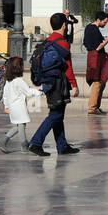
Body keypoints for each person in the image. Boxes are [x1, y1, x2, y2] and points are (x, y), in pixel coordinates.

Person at [28, 13, 80, 156]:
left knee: (58, 113)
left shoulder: (48, 41)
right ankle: (36, 142)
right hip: (57, 82)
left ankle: (62, 146)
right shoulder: (62, 43)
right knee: (56, 114)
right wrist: (74, 85)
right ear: (64, 25)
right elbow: (68, 66)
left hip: (48, 81)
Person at [0, 56, 43, 153]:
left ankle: (3, 140)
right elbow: (28, 92)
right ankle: (24, 146)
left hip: (13, 107)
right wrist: (40, 92)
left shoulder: (9, 81)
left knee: (20, 126)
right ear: (18, 68)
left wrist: (6, 106)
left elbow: (5, 95)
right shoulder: (19, 81)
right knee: (21, 126)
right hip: (19, 107)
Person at [83, 11, 108, 115]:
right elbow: (97, 47)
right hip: (96, 57)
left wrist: (103, 38)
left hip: (94, 57)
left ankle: (96, 106)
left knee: (100, 82)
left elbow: (87, 42)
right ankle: (92, 108)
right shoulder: (94, 29)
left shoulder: (89, 27)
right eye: (104, 22)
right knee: (97, 82)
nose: (105, 24)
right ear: (98, 20)